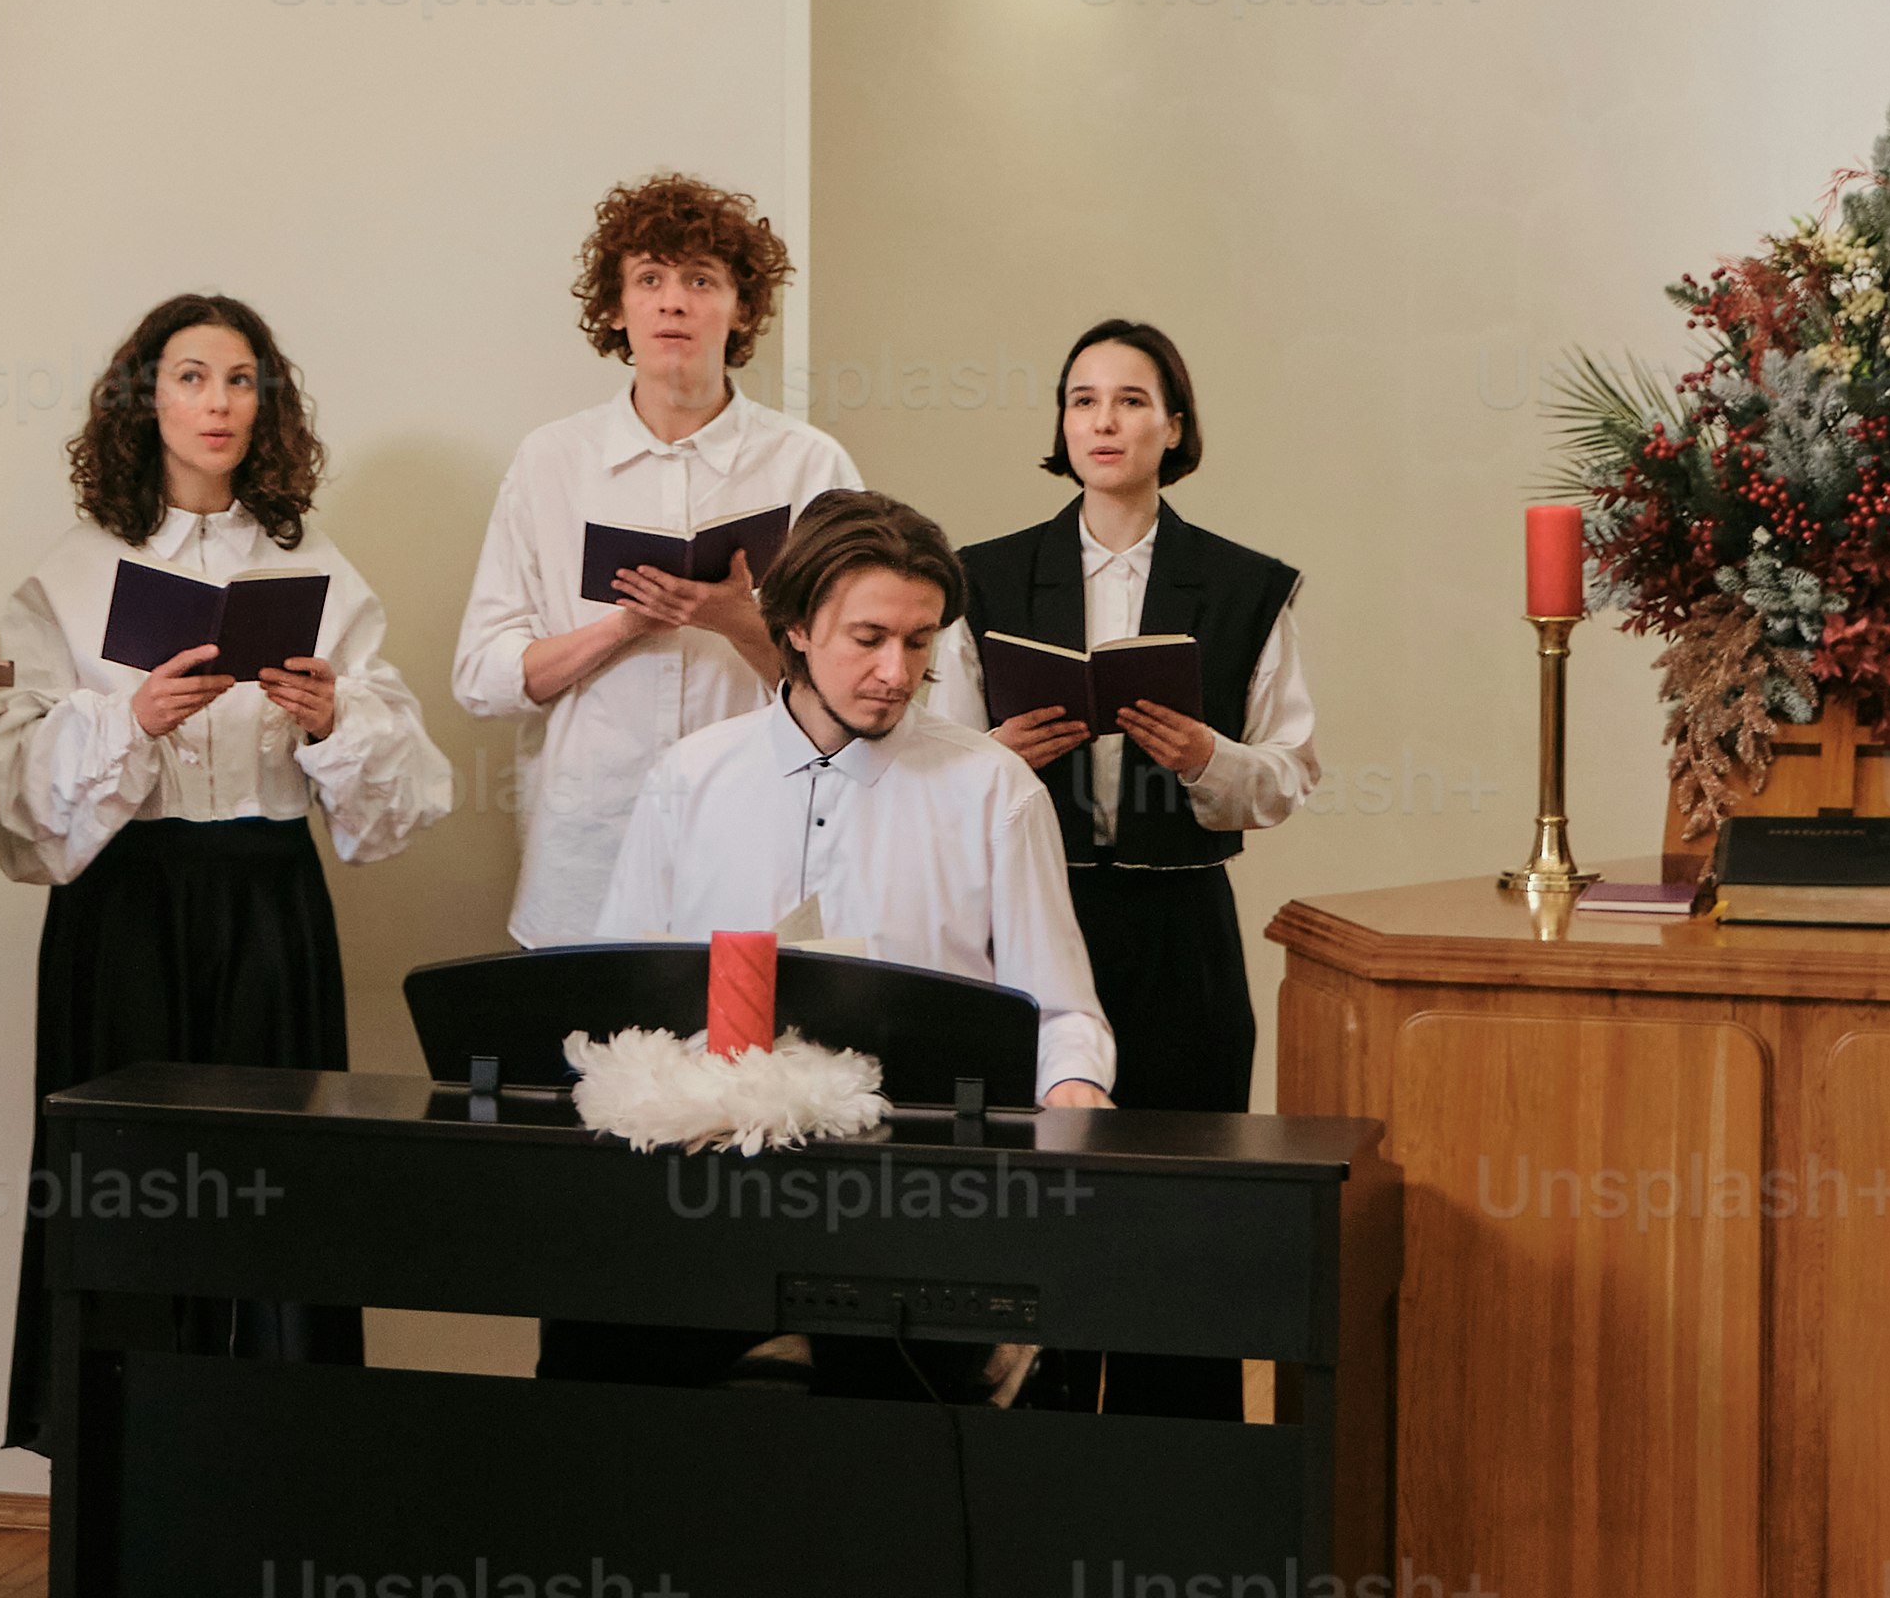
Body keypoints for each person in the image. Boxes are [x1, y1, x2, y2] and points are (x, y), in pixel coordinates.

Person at [0, 289, 450, 1443]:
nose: (218, 401)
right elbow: (15, 789)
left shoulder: (318, 569)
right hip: (124, 912)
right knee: (133, 1195)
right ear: (144, 398)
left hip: (267, 903)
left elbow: (406, 788)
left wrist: (331, 715)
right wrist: (131, 717)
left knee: (273, 1192)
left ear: (268, 403)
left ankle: (271, 1470)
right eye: (192, 376)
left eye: (241, 379)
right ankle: (121, 1471)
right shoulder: (73, 573)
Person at [550, 489, 1109, 1397]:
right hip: (711, 1189)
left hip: (913, 1192)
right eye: (869, 637)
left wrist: (1073, 1087)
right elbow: (624, 995)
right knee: (600, 1363)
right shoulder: (688, 777)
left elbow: (1064, 1010)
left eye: (919, 642)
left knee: (896, 1421)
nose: (896, 670)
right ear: (799, 627)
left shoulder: (992, 790)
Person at [936, 314, 1312, 1417]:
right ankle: (1031, 1499)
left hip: (1179, 933)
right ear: (1062, 426)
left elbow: (1287, 776)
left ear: (1175, 426)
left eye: (1132, 399)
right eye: (1083, 399)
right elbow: (934, 770)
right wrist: (995, 758)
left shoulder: (1248, 585)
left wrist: (1208, 758)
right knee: (1038, 1224)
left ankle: (1174, 1504)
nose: (1105, 419)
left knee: (1176, 1230)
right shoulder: (986, 576)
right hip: (1029, 929)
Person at [451, 167, 861, 943]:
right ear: (618, 306)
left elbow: (859, 688)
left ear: (741, 310)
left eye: (701, 280)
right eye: (650, 278)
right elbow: (480, 678)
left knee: (756, 1061)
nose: (674, 300)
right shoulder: (551, 463)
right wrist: (623, 626)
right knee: (587, 1061)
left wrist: (737, 621)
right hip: (585, 866)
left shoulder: (810, 467)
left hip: (760, 852)